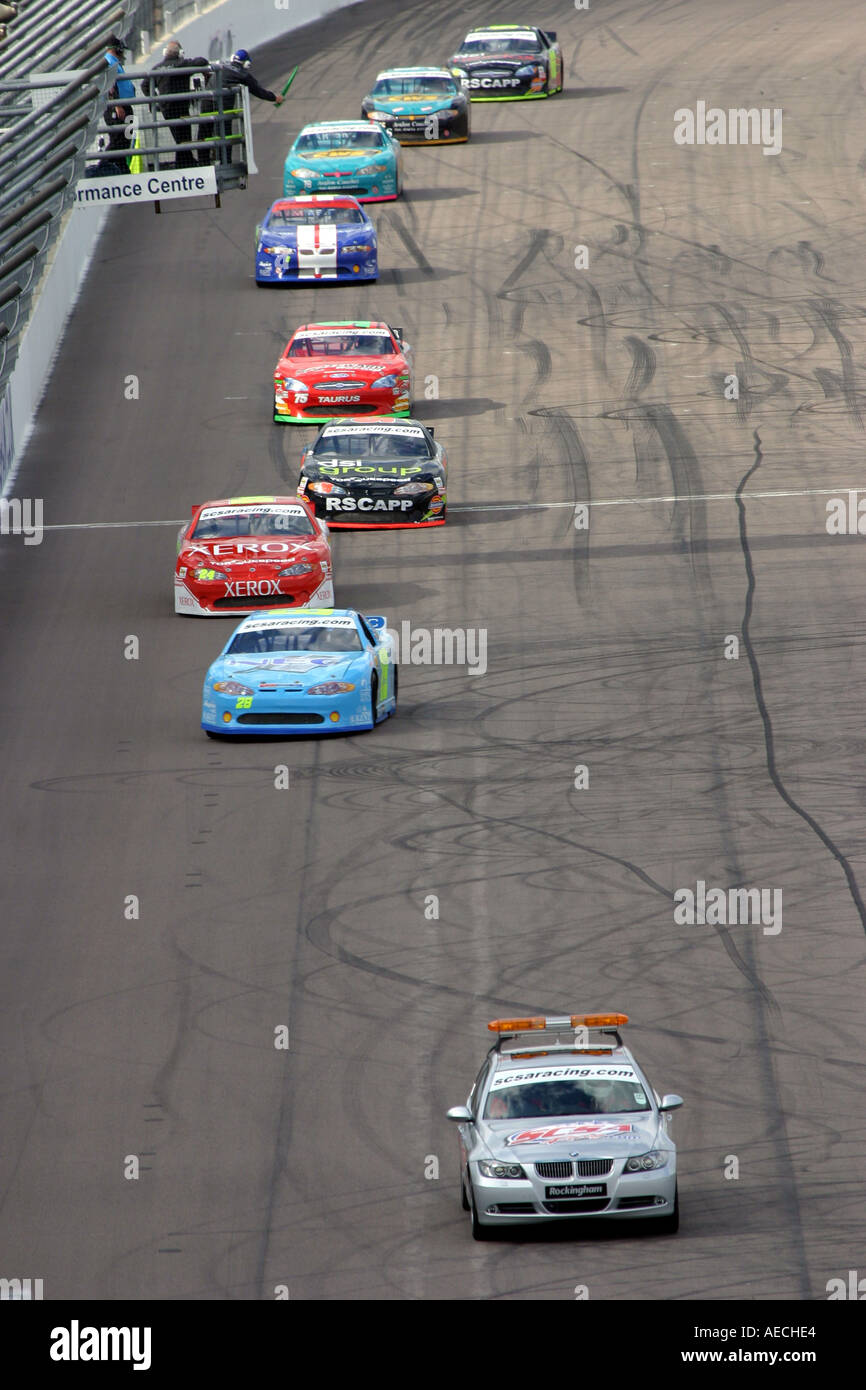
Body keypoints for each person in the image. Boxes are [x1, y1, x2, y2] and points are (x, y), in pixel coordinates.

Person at [201, 48, 283, 164]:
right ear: (246, 63)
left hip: (206, 101)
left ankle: (202, 163)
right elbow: (258, 91)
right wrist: (275, 98)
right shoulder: (243, 74)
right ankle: (225, 163)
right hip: (223, 106)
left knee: (204, 135)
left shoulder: (223, 66)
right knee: (224, 136)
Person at [142, 40, 209, 168]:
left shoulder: (157, 68)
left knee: (180, 138)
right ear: (180, 53)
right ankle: (184, 164)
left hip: (166, 109)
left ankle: (186, 162)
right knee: (184, 138)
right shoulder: (182, 64)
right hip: (181, 108)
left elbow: (144, 85)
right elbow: (201, 61)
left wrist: (156, 100)